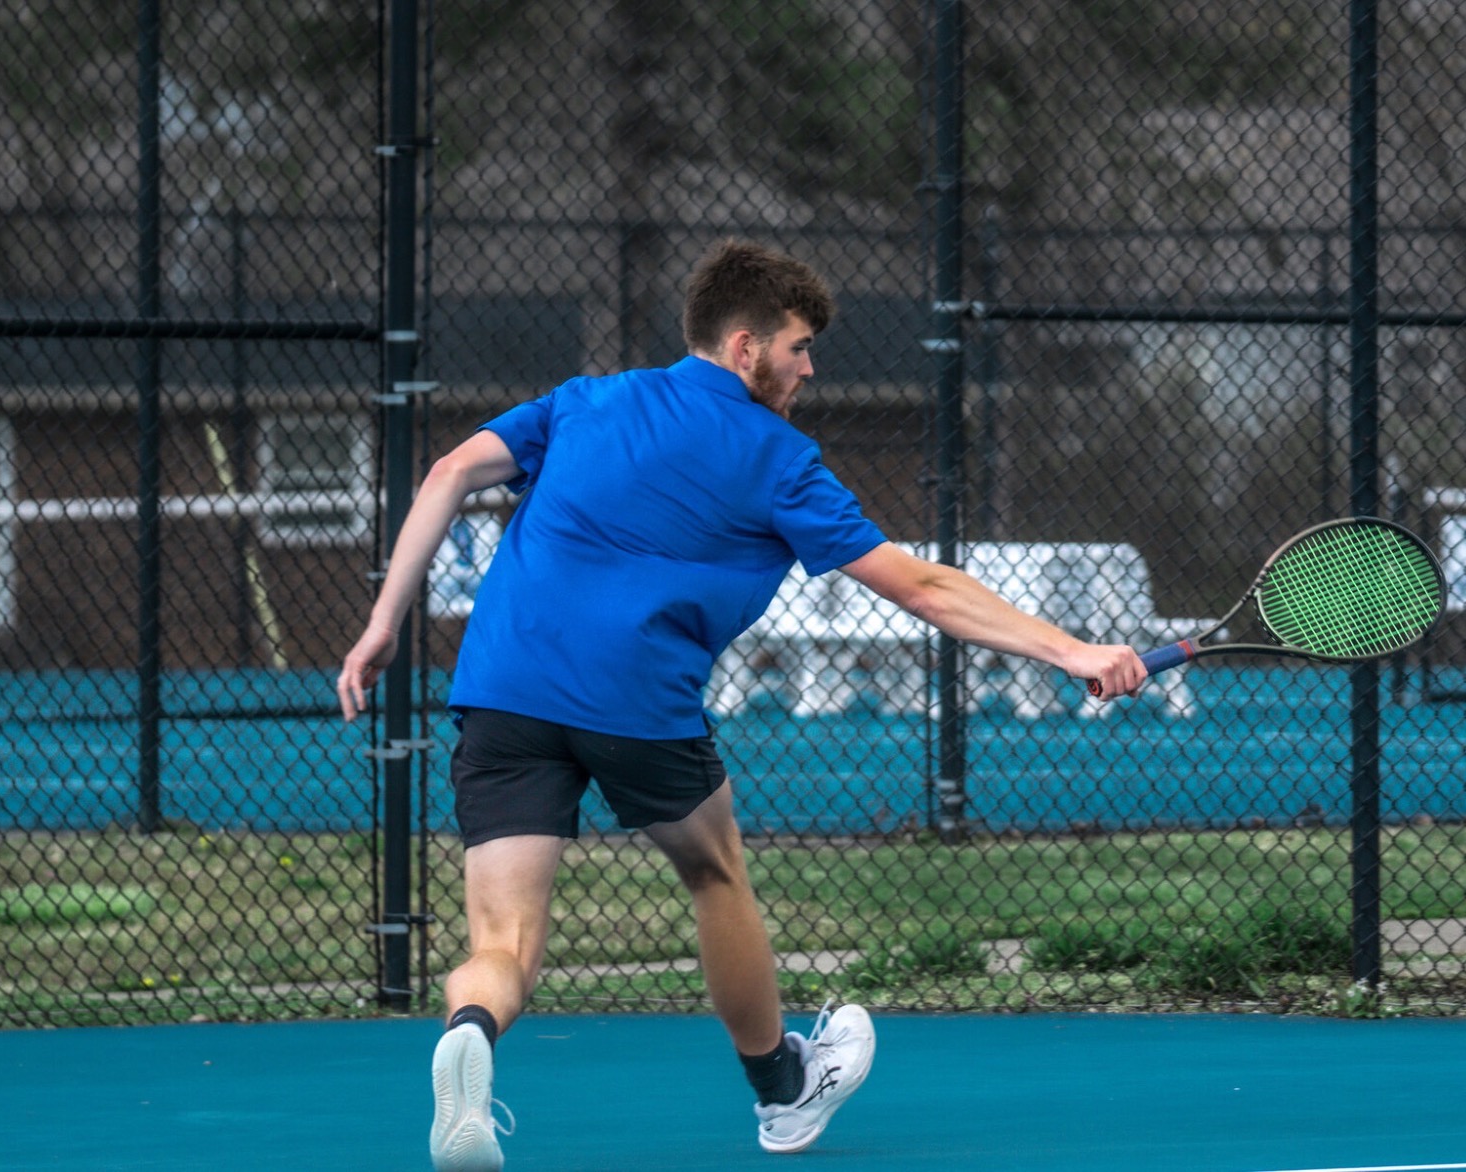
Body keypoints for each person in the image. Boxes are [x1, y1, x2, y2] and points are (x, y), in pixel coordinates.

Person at [337, 239, 1148, 1172]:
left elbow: (445, 474)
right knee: (714, 870)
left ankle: (472, 1032)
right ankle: (781, 1090)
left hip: (502, 693)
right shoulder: (777, 458)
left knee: (504, 941)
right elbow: (922, 588)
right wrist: (1070, 649)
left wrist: (382, 624)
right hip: (635, 702)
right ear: (741, 346)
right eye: (797, 347)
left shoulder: (584, 401)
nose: (809, 368)